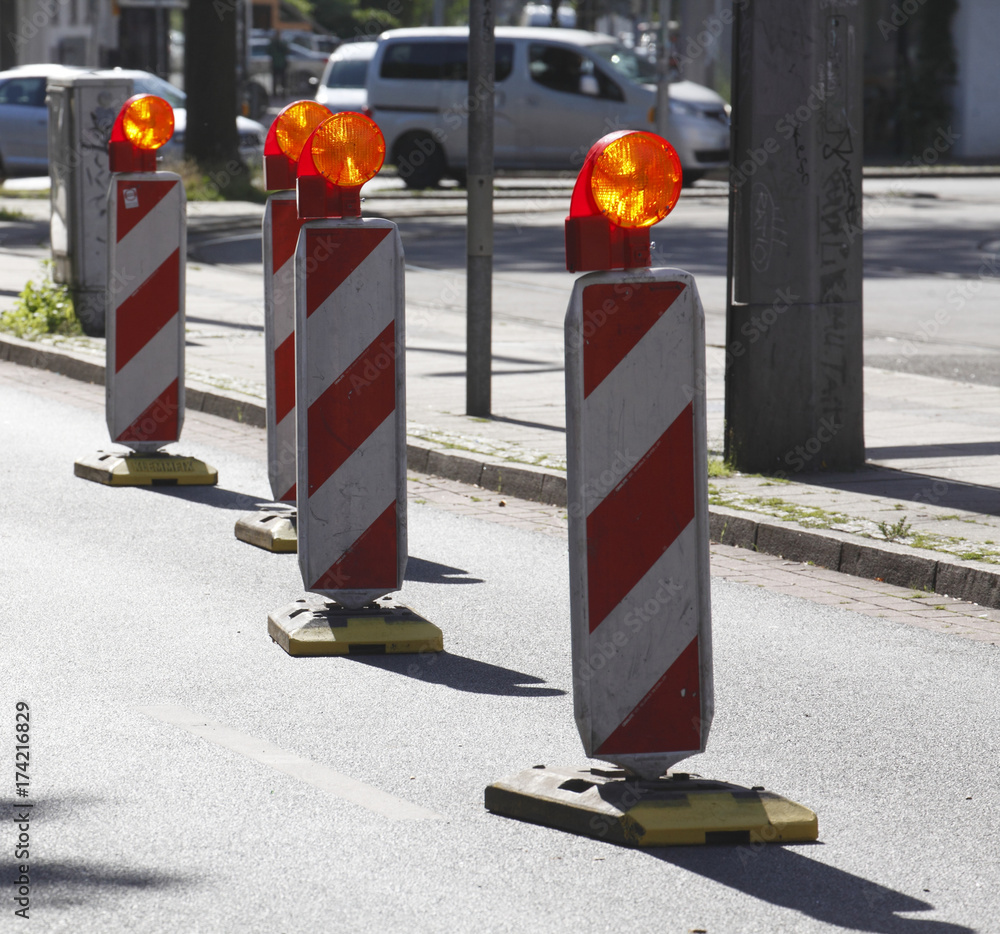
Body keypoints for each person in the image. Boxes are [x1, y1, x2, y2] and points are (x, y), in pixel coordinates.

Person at [268, 30, 289, 96]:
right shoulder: (274, 44)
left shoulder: (281, 43)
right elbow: (269, 51)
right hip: (277, 64)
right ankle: (276, 93)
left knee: (282, 80)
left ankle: (282, 93)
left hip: (281, 64)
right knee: (276, 80)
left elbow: (286, 51)